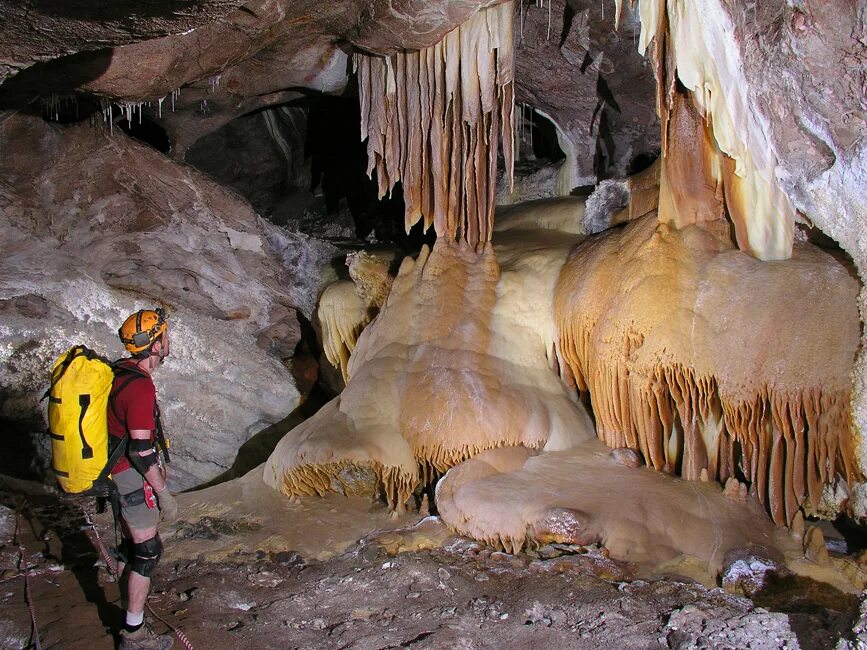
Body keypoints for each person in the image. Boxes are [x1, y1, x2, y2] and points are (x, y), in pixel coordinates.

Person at [109, 308, 179, 650]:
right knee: (148, 552)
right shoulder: (139, 389)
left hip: (115, 473)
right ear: (155, 345)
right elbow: (140, 451)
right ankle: (134, 635)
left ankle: (129, 614)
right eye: (165, 334)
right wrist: (163, 491)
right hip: (129, 477)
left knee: (131, 548)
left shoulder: (119, 371)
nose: (169, 339)